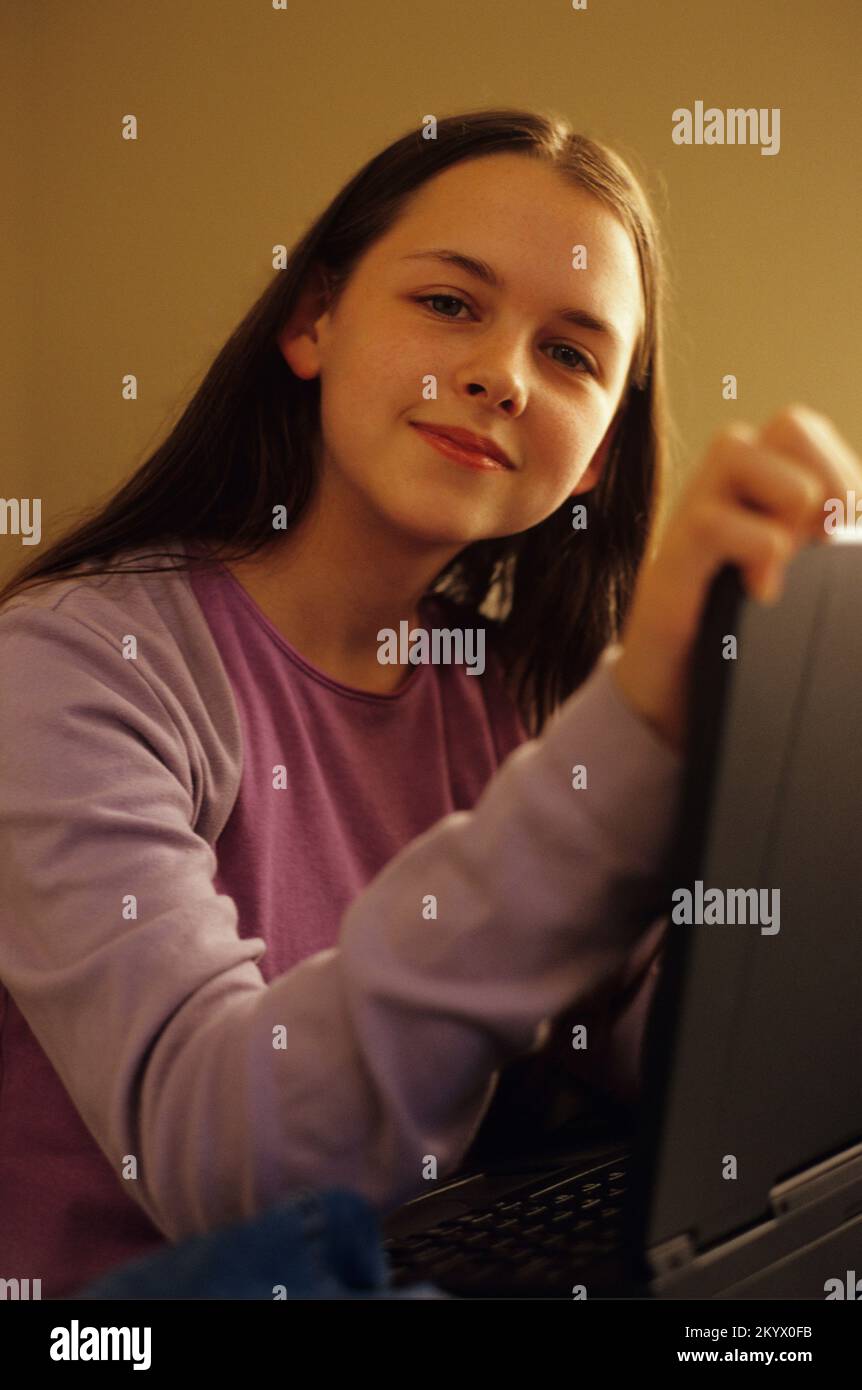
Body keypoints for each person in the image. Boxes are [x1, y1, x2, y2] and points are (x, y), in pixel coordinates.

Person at [0, 107, 858, 1301]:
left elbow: (709, 1061)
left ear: (599, 455)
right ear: (313, 322)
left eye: (570, 354)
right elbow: (234, 1174)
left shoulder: (514, 699)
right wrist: (636, 727)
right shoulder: (68, 667)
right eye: (450, 304)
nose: (498, 376)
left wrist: (805, 769)